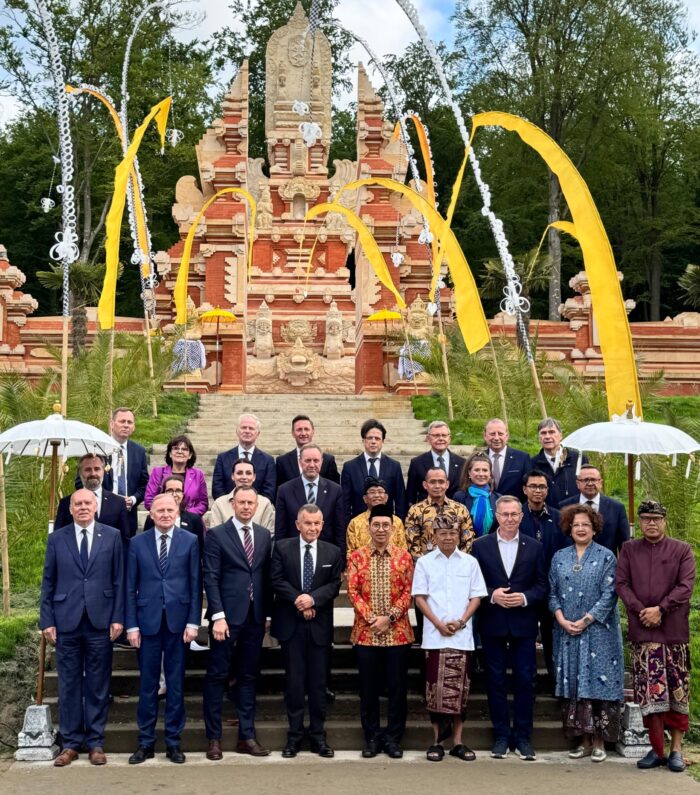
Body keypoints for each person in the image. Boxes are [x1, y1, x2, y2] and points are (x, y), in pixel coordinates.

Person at [40, 489, 124, 767]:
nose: (84, 507)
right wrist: (47, 620)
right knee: (69, 684)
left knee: (98, 684)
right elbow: (48, 583)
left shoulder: (111, 536)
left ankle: (96, 742)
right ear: (71, 508)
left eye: (88, 502)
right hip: (66, 621)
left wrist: (118, 617)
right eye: (78, 503)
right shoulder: (57, 539)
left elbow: (119, 581)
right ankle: (71, 742)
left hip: (100, 620)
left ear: (96, 506)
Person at [616, 500, 696, 773]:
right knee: (648, 696)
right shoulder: (628, 550)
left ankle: (675, 749)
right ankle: (655, 749)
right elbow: (622, 584)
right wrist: (642, 611)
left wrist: (661, 609)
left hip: (673, 632)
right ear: (639, 522)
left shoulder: (682, 550)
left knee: (677, 693)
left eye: (656, 518)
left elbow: (686, 586)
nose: (651, 523)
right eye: (646, 518)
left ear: (664, 521)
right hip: (644, 633)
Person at [125, 494, 201, 765]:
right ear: (151, 513)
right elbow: (129, 588)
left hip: (179, 624)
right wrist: (131, 625)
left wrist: (194, 622)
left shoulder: (190, 541)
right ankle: (145, 743)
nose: (166, 514)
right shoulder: (136, 543)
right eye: (161, 510)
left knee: (176, 685)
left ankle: (173, 743)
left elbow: (195, 584)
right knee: (147, 685)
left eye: (170, 509)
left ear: (178, 511)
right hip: (146, 624)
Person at [470, 495, 547, 761]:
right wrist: (493, 595)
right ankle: (501, 736)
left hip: (524, 624)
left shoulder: (535, 547)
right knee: (496, 681)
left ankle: (523, 737)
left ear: (521, 516)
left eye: (515, 514)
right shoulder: (481, 546)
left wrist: (525, 598)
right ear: (497, 516)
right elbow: (474, 584)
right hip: (493, 622)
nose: (510, 519)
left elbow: (542, 586)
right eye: (505, 514)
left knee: (526, 680)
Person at [202, 485, 273, 760]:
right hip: (226, 620)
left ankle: (247, 736)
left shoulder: (265, 536)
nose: (246, 507)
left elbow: (265, 578)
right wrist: (217, 615)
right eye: (241, 502)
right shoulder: (217, 535)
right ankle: (214, 739)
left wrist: (266, 614)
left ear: (256, 506)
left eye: (250, 503)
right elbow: (211, 576)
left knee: (247, 677)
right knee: (217, 676)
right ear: (233, 504)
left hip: (254, 619)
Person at [549, 504, 624, 763]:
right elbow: (552, 592)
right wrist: (561, 619)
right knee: (575, 683)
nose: (581, 529)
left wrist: (588, 619)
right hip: (567, 630)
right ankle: (582, 741)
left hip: (599, 632)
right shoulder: (559, 556)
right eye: (576, 524)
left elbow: (610, 593)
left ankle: (601, 742)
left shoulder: (606, 557)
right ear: (569, 528)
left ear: (595, 529)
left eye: (586, 525)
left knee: (598, 682)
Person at [412, 516, 487, 762]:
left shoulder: (470, 562)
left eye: (452, 533)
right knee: (434, 691)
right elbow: (420, 597)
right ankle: (436, 743)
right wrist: (437, 623)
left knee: (460, 692)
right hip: (434, 637)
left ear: (459, 535)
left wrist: (462, 621)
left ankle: (457, 742)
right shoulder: (424, 562)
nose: (448, 537)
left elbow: (476, 596)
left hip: (461, 637)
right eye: (442, 533)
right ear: (433, 535)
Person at [271, 504, 343, 758]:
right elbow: (277, 580)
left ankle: (318, 736)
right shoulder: (281, 548)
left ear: (322, 525)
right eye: (308, 523)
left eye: (317, 523)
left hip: (319, 627)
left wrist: (313, 600)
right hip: (292, 625)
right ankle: (294, 737)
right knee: (294, 683)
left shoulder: (333, 552)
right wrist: (300, 600)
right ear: (297, 524)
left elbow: (334, 585)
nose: (312, 528)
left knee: (318, 684)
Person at [346, 504, 415, 759]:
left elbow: (409, 591)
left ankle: (394, 739)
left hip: (398, 635)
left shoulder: (404, 557)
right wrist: (373, 618)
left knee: (397, 689)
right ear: (369, 527)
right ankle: (372, 737)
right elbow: (352, 591)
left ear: (393, 527)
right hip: (366, 634)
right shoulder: (357, 557)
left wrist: (390, 618)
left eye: (386, 525)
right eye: (377, 525)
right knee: (368, 689)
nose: (381, 529)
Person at [519, 469, 567, 680]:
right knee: (525, 639)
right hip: (524, 589)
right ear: (524, 489)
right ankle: (526, 682)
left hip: (552, 588)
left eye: (542, 487)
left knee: (551, 637)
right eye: (533, 486)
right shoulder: (515, 516)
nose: (537, 491)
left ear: (547, 490)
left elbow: (567, 551)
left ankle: (555, 682)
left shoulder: (558, 517)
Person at [89, 407, 149, 538]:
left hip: (128, 516)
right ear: (112, 424)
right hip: (101, 513)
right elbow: (82, 481)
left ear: (133, 427)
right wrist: (109, 499)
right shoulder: (97, 449)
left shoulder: (139, 451)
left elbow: (144, 484)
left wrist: (133, 499)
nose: (126, 425)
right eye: (122, 421)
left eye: (129, 422)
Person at [276, 444, 344, 549]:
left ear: (321, 462)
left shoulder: (335, 490)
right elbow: (280, 531)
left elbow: (339, 530)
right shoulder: (284, 490)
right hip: (293, 554)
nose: (312, 465)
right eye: (307, 460)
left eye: (316, 461)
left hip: (326, 553)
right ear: (300, 462)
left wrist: (340, 558)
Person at [341, 419, 407, 525]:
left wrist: (399, 526)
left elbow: (400, 501)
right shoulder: (350, 467)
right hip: (359, 527)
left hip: (386, 527)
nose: (373, 441)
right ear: (363, 440)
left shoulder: (394, 466)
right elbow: (345, 504)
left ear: (383, 441)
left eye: (377, 438)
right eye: (369, 438)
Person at [56, 453, 130, 545]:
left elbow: (124, 541)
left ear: (103, 471)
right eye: (87, 469)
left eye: (97, 469)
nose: (93, 473)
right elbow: (58, 540)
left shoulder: (118, 503)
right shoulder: (66, 503)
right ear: (80, 473)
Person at [405, 467, 475, 560]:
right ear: (425, 485)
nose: (437, 486)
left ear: (447, 484)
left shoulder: (460, 509)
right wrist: (426, 564)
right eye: (432, 482)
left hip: (456, 565)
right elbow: (412, 542)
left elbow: (468, 540)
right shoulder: (415, 510)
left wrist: (458, 562)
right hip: (427, 566)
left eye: (441, 482)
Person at [559, 465, 630, 555]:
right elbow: (560, 539)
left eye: (593, 480)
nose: (590, 483)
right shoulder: (564, 506)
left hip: (607, 564)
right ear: (577, 483)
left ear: (600, 482)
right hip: (572, 563)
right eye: (585, 480)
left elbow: (624, 543)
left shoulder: (617, 508)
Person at [211, 413, 276, 501]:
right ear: (237, 431)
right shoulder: (223, 458)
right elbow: (217, 488)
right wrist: (231, 504)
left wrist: (252, 506)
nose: (247, 431)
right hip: (228, 509)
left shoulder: (268, 460)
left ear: (258, 433)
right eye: (243, 427)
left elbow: (269, 490)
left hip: (258, 510)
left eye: (251, 428)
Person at [144, 435, 208, 516]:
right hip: (164, 519)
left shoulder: (198, 475)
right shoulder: (158, 472)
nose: (180, 451)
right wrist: (168, 512)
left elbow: (203, 503)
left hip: (190, 521)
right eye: (176, 448)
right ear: (170, 453)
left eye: (184, 449)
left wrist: (185, 514)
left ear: (190, 455)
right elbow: (149, 500)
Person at [530, 418, 587, 507]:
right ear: (539, 438)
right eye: (543, 433)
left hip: (574, 513)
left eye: (552, 432)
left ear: (561, 435)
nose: (547, 436)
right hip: (547, 515)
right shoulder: (533, 463)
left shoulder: (578, 459)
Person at [405, 421, 466, 505]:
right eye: (436, 435)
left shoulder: (462, 463)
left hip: (455, 513)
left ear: (450, 438)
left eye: (444, 435)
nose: (441, 438)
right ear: (428, 438)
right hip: (426, 513)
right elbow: (410, 495)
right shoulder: (416, 463)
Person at [143, 474, 205, 556]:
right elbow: (146, 546)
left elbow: (199, 551)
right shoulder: (152, 518)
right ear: (163, 492)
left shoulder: (194, 519)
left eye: (178, 490)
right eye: (170, 490)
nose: (174, 494)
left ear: (183, 494)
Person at [210, 458, 275, 533]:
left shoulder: (265, 504)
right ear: (232, 476)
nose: (244, 477)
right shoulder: (219, 504)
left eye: (248, 473)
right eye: (239, 473)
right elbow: (216, 535)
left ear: (254, 477)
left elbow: (268, 535)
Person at [346, 478, 406, 556]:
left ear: (386, 497)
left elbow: (403, 551)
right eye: (372, 492)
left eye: (380, 492)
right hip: (363, 566)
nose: (377, 495)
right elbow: (350, 554)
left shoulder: (397, 522)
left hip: (393, 566)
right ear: (365, 498)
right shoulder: (355, 523)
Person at [276, 414, 340, 487]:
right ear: (293, 433)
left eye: (306, 429)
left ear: (313, 432)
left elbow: (335, 490)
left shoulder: (328, 460)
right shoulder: (282, 462)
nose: (303, 433)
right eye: (299, 429)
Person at [482, 418, 531, 500]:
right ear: (485, 436)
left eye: (500, 434)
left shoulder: (522, 458)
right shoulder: (478, 458)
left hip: (513, 510)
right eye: (492, 434)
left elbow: (528, 487)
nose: (496, 438)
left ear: (507, 436)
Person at [453, 452, 499, 537]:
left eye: (485, 470)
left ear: (490, 474)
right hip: (467, 546)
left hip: (491, 546)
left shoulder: (498, 498)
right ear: (469, 473)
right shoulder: (459, 497)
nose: (481, 474)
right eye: (477, 470)